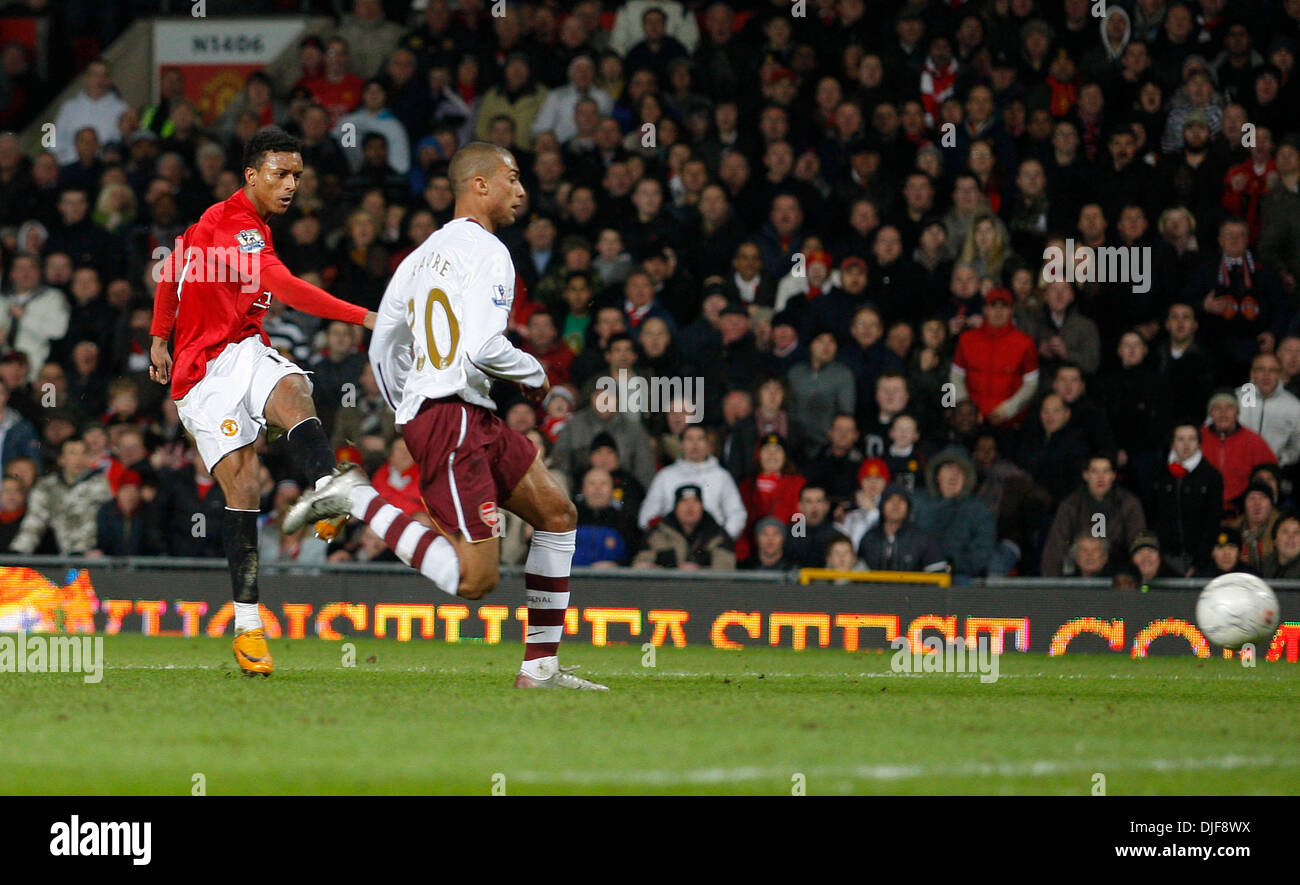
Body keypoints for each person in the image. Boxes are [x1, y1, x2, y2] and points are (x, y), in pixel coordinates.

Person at [326, 140, 606, 690]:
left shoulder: (418, 258)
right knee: (475, 580)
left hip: (459, 411)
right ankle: (355, 496)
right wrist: (536, 371)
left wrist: (406, 404)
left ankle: (540, 669)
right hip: (452, 419)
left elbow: (384, 342)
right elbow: (481, 347)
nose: (522, 190)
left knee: (556, 512)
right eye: (513, 178)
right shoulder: (490, 251)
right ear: (480, 184)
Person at [148, 127, 412, 678]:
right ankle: (248, 626)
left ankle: (325, 487)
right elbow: (288, 290)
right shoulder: (238, 230)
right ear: (251, 176)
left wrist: (155, 335)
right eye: (280, 174)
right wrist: (369, 317)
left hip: (244, 345)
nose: (291, 184)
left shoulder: (214, 224)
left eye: (297, 175)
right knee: (243, 488)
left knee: (295, 388)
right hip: (202, 373)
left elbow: (169, 271)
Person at [1040, 454, 1147, 577]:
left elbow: (1138, 543)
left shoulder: (1129, 504)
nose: (1100, 478)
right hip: (1078, 575)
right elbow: (1055, 549)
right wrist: (1053, 589)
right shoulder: (1071, 505)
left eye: (1106, 471)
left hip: (1119, 575)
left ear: (1113, 475)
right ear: (1085, 475)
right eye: (1094, 471)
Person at [1146, 423, 1224, 575]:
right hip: (1165, 559)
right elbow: (1151, 517)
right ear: (1173, 443)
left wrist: (1200, 561)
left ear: (1199, 443)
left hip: (1201, 560)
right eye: (1181, 439)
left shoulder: (1211, 476)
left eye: (1192, 439)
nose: (1186, 444)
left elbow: (1213, 522)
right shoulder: (1158, 474)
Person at [633, 484, 736, 570]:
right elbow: (641, 566)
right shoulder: (657, 534)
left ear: (702, 506)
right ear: (675, 507)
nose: (690, 507)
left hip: (705, 591)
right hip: (665, 591)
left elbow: (725, 570)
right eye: (684, 502)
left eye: (695, 501)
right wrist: (676, 570)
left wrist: (697, 572)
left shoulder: (717, 535)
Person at [1260, 512, 1300, 579]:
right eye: (1285, 531)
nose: (1291, 536)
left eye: (1297, 532)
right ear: (1274, 540)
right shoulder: (1265, 564)